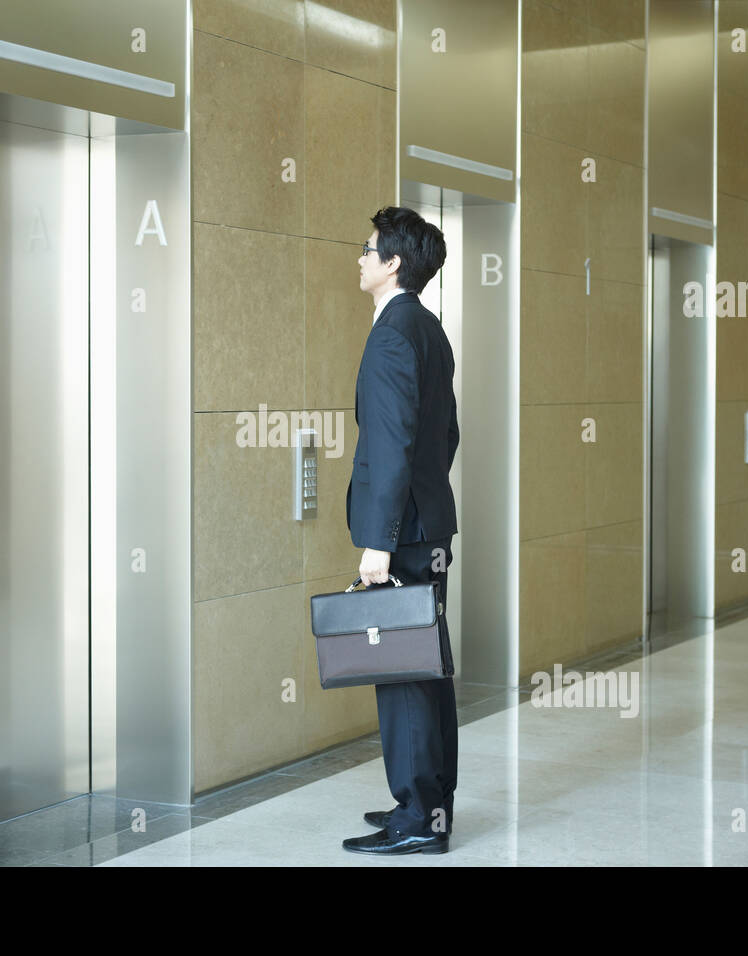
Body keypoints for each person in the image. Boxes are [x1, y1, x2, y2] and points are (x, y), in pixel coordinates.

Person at [343, 206, 459, 855]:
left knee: (404, 673)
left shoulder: (393, 332)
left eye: (367, 249)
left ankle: (416, 820)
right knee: (427, 668)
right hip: (429, 525)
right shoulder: (428, 329)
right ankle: (430, 805)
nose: (359, 257)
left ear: (393, 262)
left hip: (403, 535)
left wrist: (381, 540)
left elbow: (391, 443)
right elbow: (446, 435)